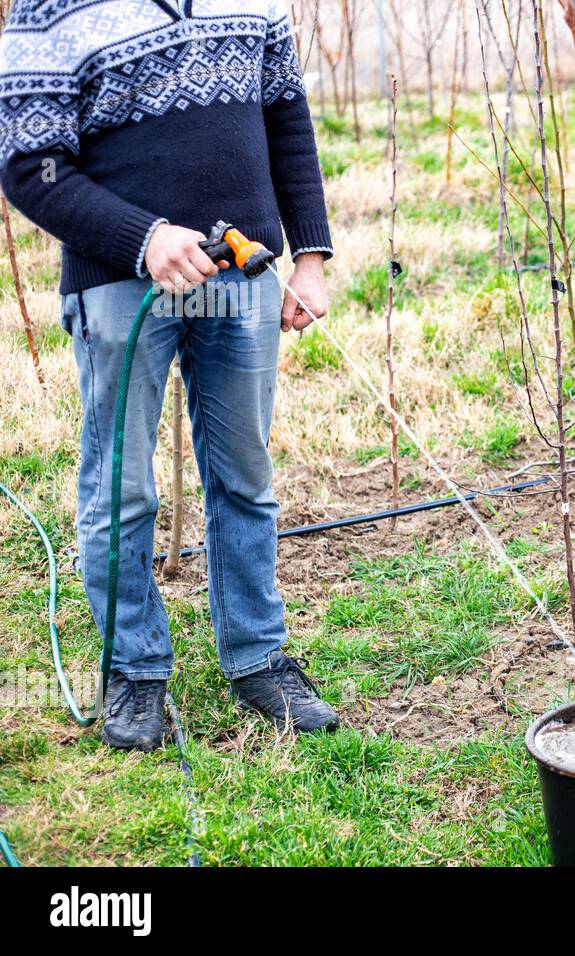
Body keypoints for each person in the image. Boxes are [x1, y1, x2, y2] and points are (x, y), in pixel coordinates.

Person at [0, 0, 339, 750]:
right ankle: (134, 669)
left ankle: (258, 657)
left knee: (246, 476)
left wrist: (309, 256)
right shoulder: (49, 10)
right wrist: (143, 238)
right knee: (120, 488)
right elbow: (32, 163)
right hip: (121, 282)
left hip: (242, 272)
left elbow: (287, 120)